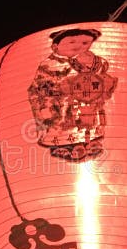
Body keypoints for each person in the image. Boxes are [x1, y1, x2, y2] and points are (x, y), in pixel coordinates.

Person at [27, 28, 117, 161]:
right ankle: (65, 147)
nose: (78, 46)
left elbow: (102, 70)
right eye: (72, 42)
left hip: (88, 101)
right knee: (63, 125)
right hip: (62, 104)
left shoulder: (93, 61)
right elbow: (41, 87)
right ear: (55, 47)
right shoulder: (51, 65)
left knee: (90, 122)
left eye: (85, 43)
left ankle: (89, 143)